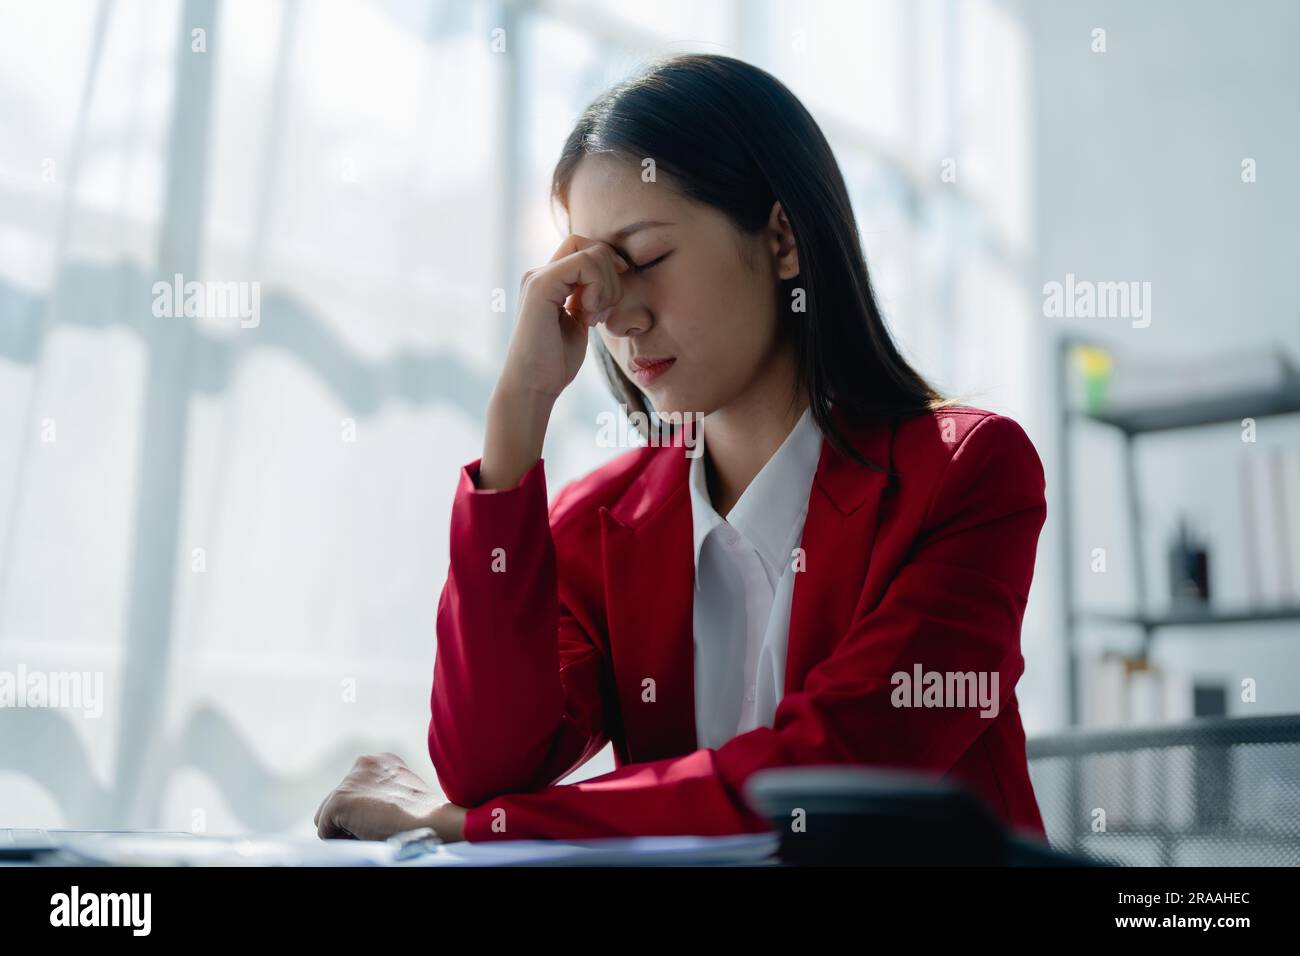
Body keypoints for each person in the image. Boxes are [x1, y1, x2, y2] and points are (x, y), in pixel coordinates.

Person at [315, 53, 1048, 846]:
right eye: (591, 274)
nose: (618, 316)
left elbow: (835, 773)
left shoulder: (967, 472)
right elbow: (489, 766)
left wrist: (470, 826)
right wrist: (517, 417)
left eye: (645, 259)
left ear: (781, 240)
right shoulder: (600, 519)